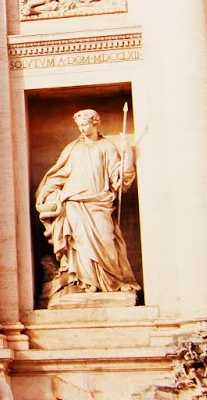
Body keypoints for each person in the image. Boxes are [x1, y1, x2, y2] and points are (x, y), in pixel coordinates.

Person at [35, 109, 138, 297]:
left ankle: (112, 281)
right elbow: (59, 174)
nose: (82, 129)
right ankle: (84, 282)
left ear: (95, 123)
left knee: (106, 239)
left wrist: (127, 154)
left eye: (86, 124)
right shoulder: (73, 148)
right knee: (80, 243)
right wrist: (45, 193)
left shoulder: (106, 147)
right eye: (80, 125)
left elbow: (120, 178)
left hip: (99, 202)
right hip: (73, 201)